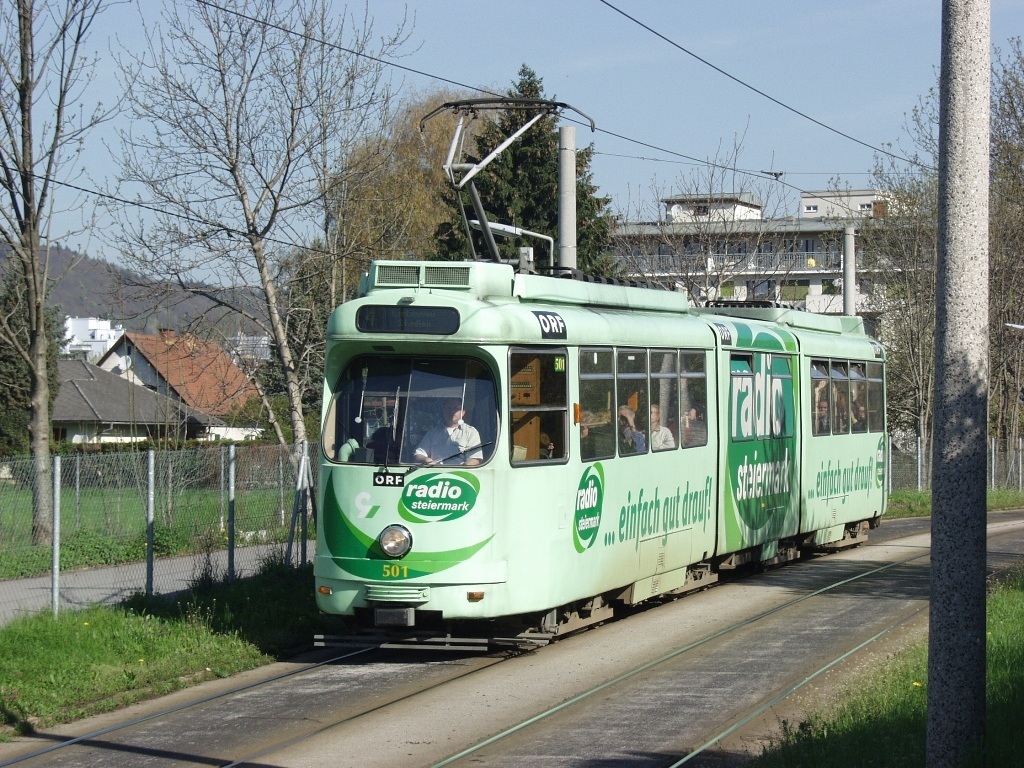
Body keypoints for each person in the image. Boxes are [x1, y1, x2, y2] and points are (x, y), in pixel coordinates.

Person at [414, 398, 483, 466]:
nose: (452, 411)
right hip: (435, 474)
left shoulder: (471, 432)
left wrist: (461, 470)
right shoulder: (432, 432)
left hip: (459, 475)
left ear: (463, 412)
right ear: (443, 410)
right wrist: (426, 460)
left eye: (456, 408)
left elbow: (475, 459)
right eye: (449, 407)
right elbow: (419, 453)